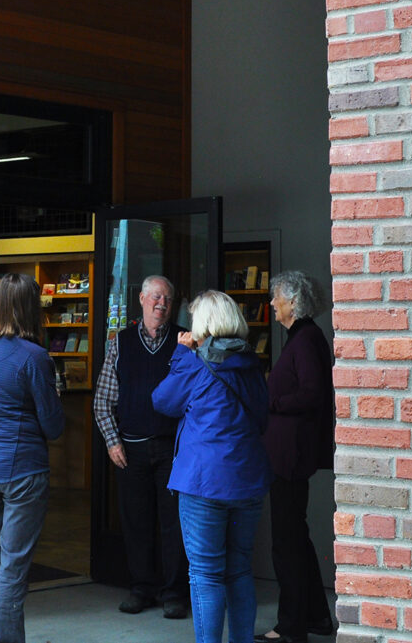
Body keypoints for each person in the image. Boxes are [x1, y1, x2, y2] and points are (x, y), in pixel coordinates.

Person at [152, 290, 271, 643]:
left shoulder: (194, 362)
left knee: (205, 574)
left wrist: (180, 351)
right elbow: (262, 417)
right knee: (238, 570)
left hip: (203, 483)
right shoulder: (252, 364)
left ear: (202, 325)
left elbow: (162, 400)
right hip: (247, 481)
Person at [0, 273, 65, 643]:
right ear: (30, 308)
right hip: (23, 469)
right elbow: (53, 426)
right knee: (14, 563)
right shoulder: (35, 357)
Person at [92, 274, 191, 618]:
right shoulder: (120, 342)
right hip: (130, 448)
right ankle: (141, 589)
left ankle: (173, 592)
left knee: (172, 523)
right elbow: (102, 400)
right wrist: (111, 441)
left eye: (166, 299)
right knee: (136, 522)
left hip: (171, 450)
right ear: (142, 300)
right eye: (155, 298)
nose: (161, 304)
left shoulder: (184, 341)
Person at [255, 271, 335, 643]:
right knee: (296, 539)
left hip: (289, 457)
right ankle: (317, 616)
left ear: (294, 301)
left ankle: (290, 627)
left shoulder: (304, 340)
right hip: (290, 454)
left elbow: (312, 393)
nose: (272, 303)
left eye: (276, 298)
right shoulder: (304, 337)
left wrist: (271, 402)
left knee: (286, 544)